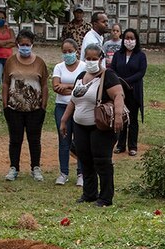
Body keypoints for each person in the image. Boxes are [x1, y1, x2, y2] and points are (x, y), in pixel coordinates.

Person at [60, 42, 125, 206]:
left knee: (102, 161)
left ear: (101, 59)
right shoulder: (81, 76)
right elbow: (73, 101)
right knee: (85, 159)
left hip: (100, 126)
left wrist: (118, 116)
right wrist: (64, 120)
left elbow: (118, 95)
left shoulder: (108, 76)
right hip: (80, 125)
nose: (90, 61)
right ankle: (89, 193)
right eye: (87, 58)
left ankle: (105, 197)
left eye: (94, 58)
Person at [2, 29, 49, 181]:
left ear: (32, 44)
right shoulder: (10, 61)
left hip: (35, 109)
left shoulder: (40, 63)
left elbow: (44, 85)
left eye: (27, 44)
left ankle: (36, 168)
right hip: (14, 108)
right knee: (15, 139)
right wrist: (5, 105)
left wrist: (43, 106)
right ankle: (14, 168)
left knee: (34, 139)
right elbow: (5, 83)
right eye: (22, 44)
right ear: (17, 44)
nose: (25, 47)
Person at [52, 38, 84, 186]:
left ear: (76, 51)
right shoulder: (58, 67)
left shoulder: (83, 67)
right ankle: (63, 172)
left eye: (70, 51)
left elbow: (83, 88)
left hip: (79, 108)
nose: (67, 54)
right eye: (64, 52)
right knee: (63, 140)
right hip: (61, 107)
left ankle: (81, 173)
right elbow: (55, 87)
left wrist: (66, 87)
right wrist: (73, 88)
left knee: (80, 140)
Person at [111, 28, 146, 156]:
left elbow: (141, 72)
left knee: (132, 119)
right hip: (120, 92)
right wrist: (119, 81)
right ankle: (120, 145)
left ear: (136, 40)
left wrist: (126, 81)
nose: (129, 41)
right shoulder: (118, 54)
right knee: (121, 117)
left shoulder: (141, 56)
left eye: (132, 38)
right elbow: (113, 69)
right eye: (127, 38)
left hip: (133, 91)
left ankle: (132, 146)